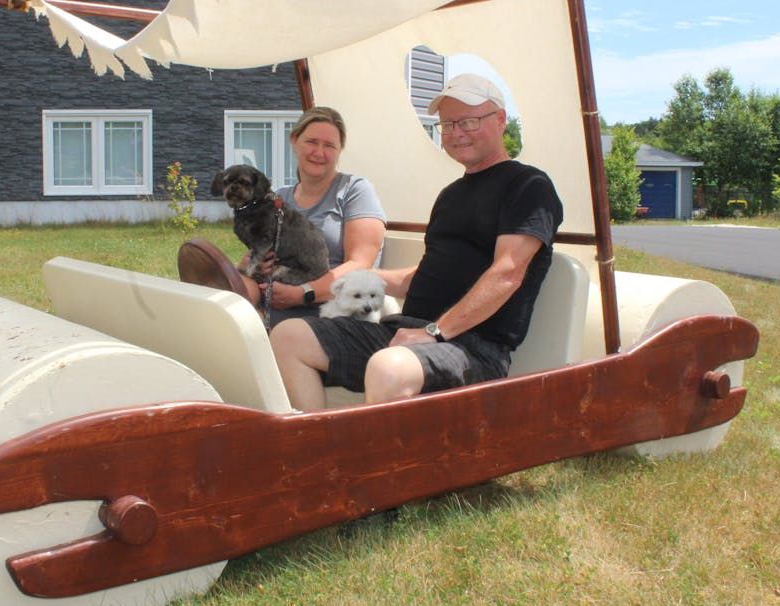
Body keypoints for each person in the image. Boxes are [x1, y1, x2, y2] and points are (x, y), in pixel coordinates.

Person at [270, 74, 563, 410]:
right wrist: (358, 277)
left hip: (472, 347)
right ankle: (317, 450)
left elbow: (508, 272)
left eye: (468, 121)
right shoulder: (451, 195)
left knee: (388, 367)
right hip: (406, 332)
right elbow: (423, 275)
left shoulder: (528, 186)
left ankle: (375, 462)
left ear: (500, 120)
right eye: (448, 125)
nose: (456, 133)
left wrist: (436, 331)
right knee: (289, 336)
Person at [239, 106, 387, 326]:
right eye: (311, 142)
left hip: (331, 310)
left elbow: (360, 263)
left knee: (242, 327)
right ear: (295, 141)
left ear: (339, 151)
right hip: (272, 297)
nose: (319, 152)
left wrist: (302, 293)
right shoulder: (278, 198)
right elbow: (256, 254)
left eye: (329, 145)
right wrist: (257, 264)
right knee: (221, 307)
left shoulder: (354, 190)